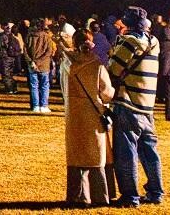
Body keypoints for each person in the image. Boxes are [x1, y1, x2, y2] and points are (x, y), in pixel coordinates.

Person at [108, 6, 163, 208]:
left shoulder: (129, 42)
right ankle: (155, 192)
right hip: (147, 105)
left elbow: (113, 69)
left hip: (128, 103)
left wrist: (116, 47)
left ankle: (130, 196)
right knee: (149, 151)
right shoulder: (154, 42)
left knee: (126, 152)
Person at [63, 29, 116, 207]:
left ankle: (78, 196)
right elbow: (107, 93)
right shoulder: (97, 65)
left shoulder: (66, 65)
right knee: (96, 155)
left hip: (73, 115)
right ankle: (99, 195)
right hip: (93, 115)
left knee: (76, 154)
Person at [27, 18, 54, 114]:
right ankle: (44, 105)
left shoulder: (29, 37)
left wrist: (31, 61)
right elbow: (49, 51)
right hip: (44, 65)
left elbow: (25, 50)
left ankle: (36, 106)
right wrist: (38, 62)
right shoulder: (47, 37)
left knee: (34, 86)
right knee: (44, 86)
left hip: (32, 65)